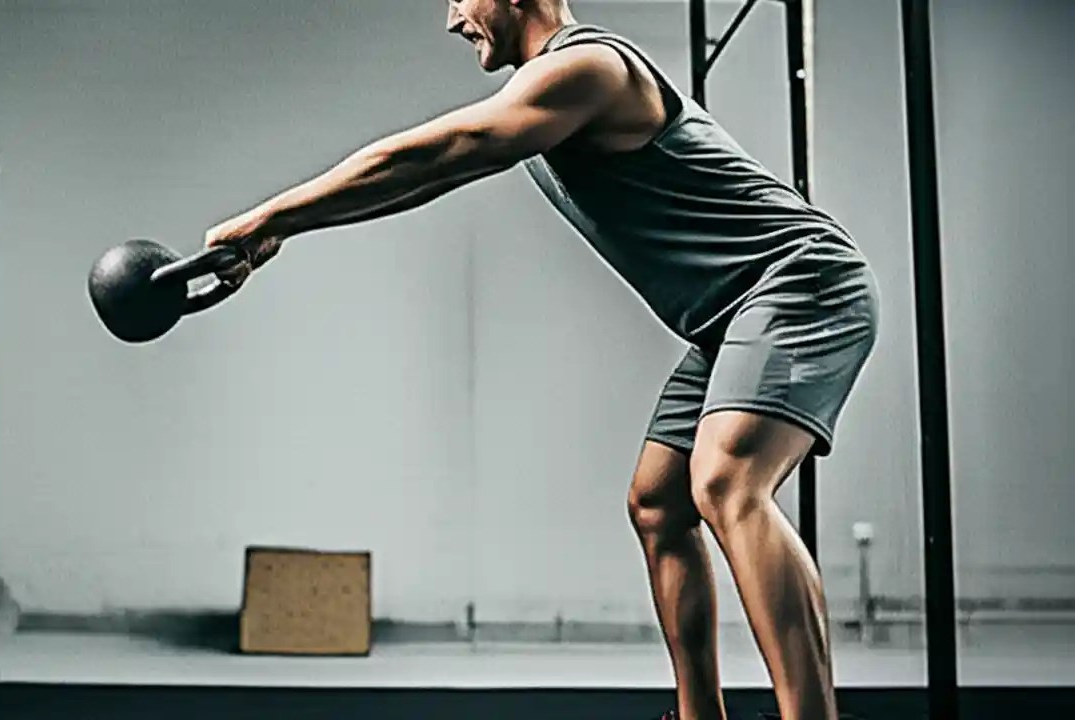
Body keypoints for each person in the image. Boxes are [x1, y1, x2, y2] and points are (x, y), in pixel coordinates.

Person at [156, 2, 878, 719]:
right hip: (728, 318)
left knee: (724, 482)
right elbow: (429, 177)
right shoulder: (543, 93)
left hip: (801, 281)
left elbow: (436, 150)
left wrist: (269, 215)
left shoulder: (589, 68)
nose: (451, 19)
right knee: (659, 503)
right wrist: (283, 231)